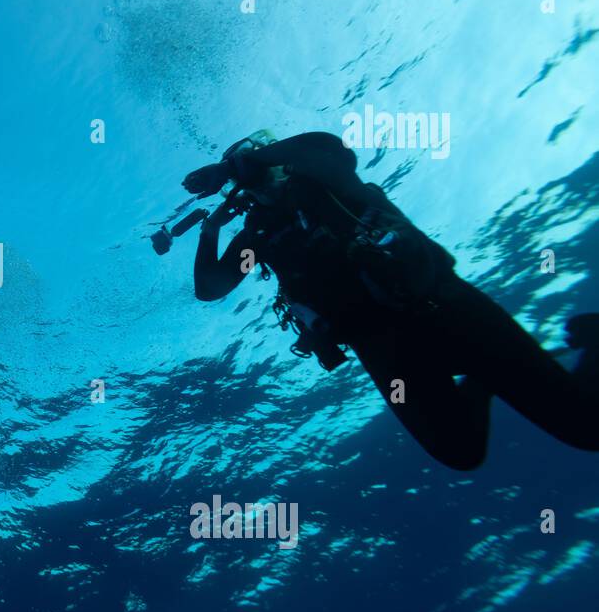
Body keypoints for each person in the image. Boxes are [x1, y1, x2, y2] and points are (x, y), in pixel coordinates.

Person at [183, 130, 599, 470]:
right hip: (382, 347)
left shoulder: (324, 182)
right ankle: (483, 380)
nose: (253, 172)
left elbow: (329, 147)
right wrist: (210, 229)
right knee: (460, 451)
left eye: (254, 160)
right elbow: (210, 288)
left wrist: (230, 165)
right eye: (244, 170)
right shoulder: (257, 234)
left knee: (585, 427)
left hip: (442, 305)